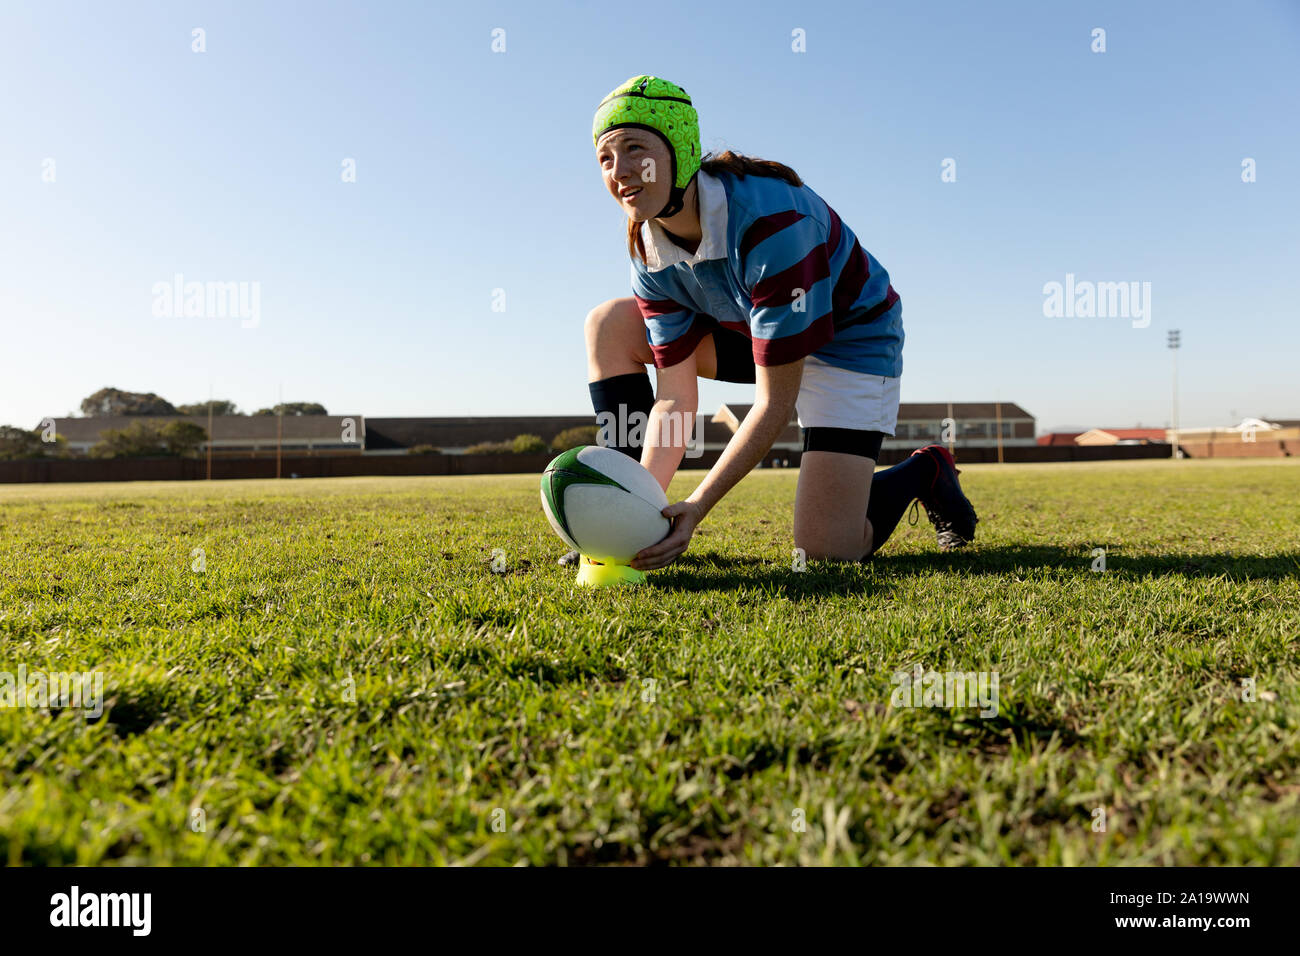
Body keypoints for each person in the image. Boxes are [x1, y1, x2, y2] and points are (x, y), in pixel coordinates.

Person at [564, 74, 976, 572]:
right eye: (605, 158)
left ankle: (925, 471)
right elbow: (674, 395)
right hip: (754, 330)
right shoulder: (647, 249)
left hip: (849, 342)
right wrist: (636, 512)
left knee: (826, 550)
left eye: (636, 149)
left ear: (681, 149)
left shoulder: (773, 222)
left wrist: (696, 509)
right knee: (610, 324)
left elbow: (774, 403)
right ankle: (622, 495)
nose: (620, 170)